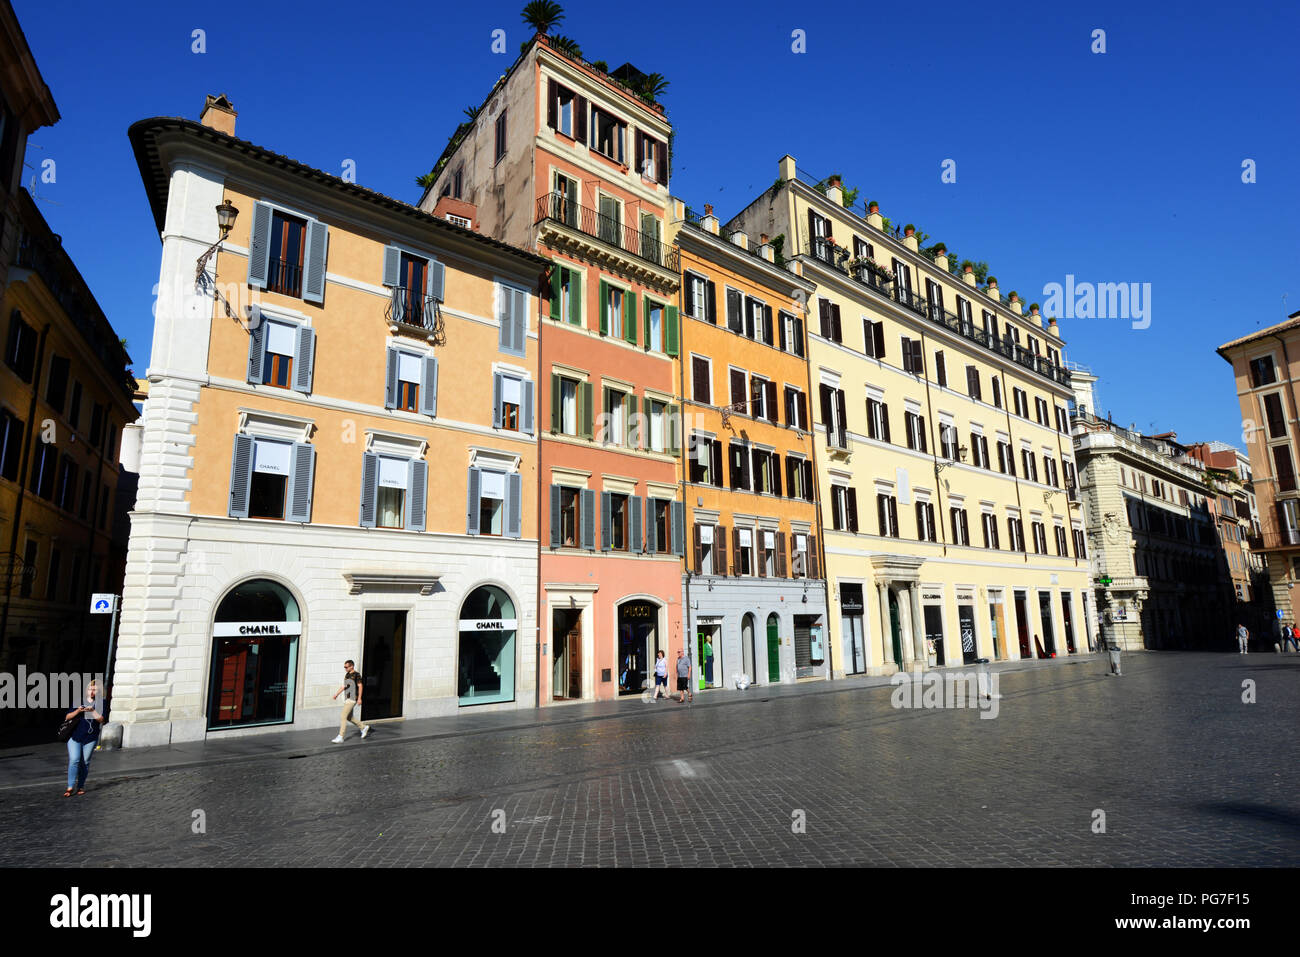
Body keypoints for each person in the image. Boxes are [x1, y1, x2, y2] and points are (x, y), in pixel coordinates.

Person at [64, 679, 107, 797]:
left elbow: (102, 720)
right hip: (75, 736)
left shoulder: (101, 703)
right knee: (74, 759)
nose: (92, 692)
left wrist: (92, 711)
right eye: (90, 689)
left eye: (94, 690)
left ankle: (81, 786)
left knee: (85, 762)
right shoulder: (78, 700)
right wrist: (78, 710)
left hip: (91, 737)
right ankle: (70, 786)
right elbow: (67, 717)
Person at [331, 659, 370, 742]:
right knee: (349, 717)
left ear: (352, 666)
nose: (345, 668)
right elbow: (344, 686)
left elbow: (360, 686)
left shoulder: (357, 675)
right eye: (344, 667)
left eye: (346, 667)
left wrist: (359, 698)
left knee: (343, 716)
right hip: (347, 697)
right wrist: (336, 694)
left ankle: (341, 736)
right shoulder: (347, 675)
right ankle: (363, 727)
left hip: (353, 698)